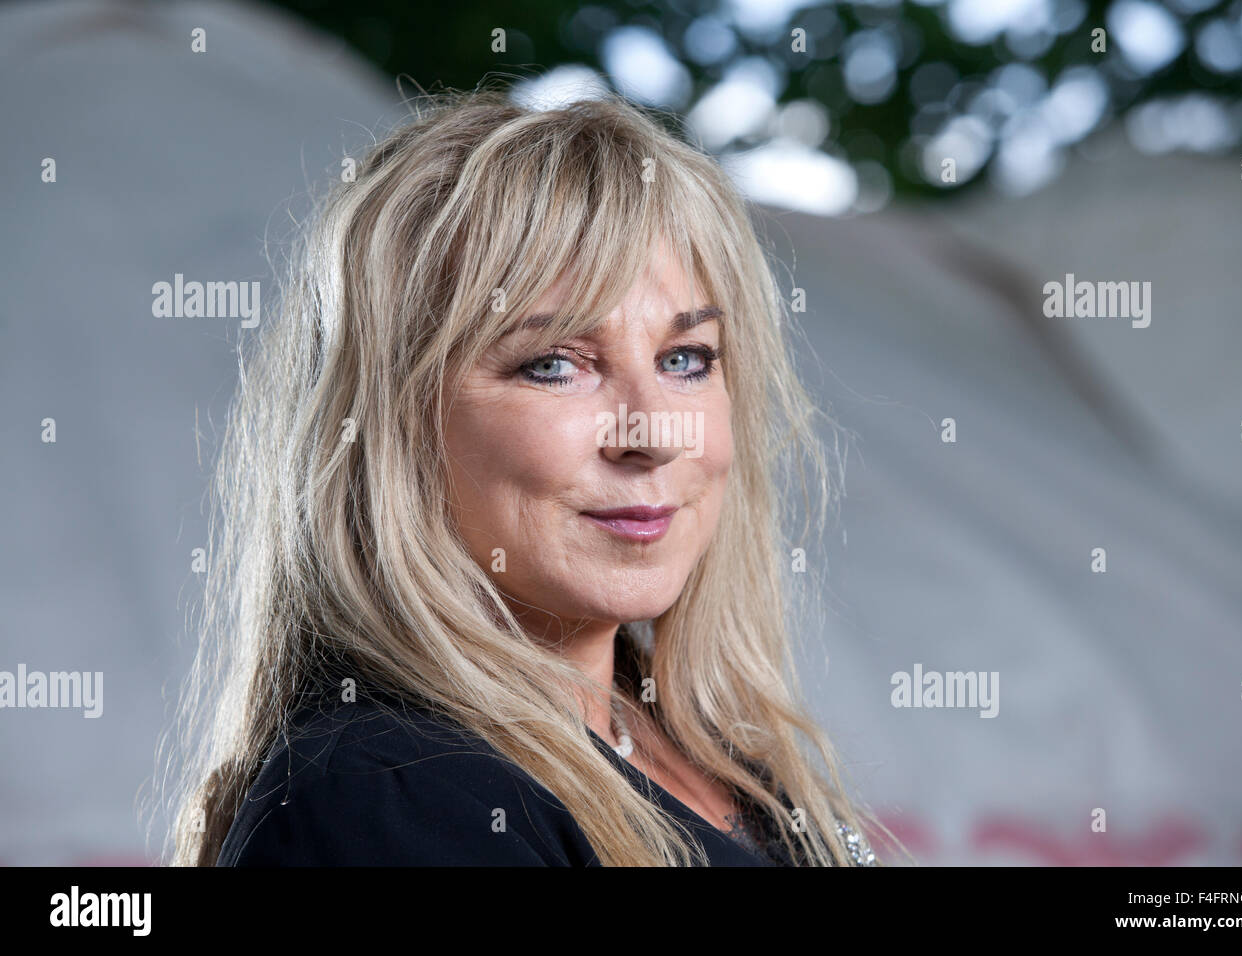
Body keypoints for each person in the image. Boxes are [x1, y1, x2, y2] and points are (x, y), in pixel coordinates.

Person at [167, 84, 898, 866]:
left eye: (684, 359)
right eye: (554, 366)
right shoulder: (386, 797)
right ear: (392, 427)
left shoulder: (710, 754)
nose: (653, 432)